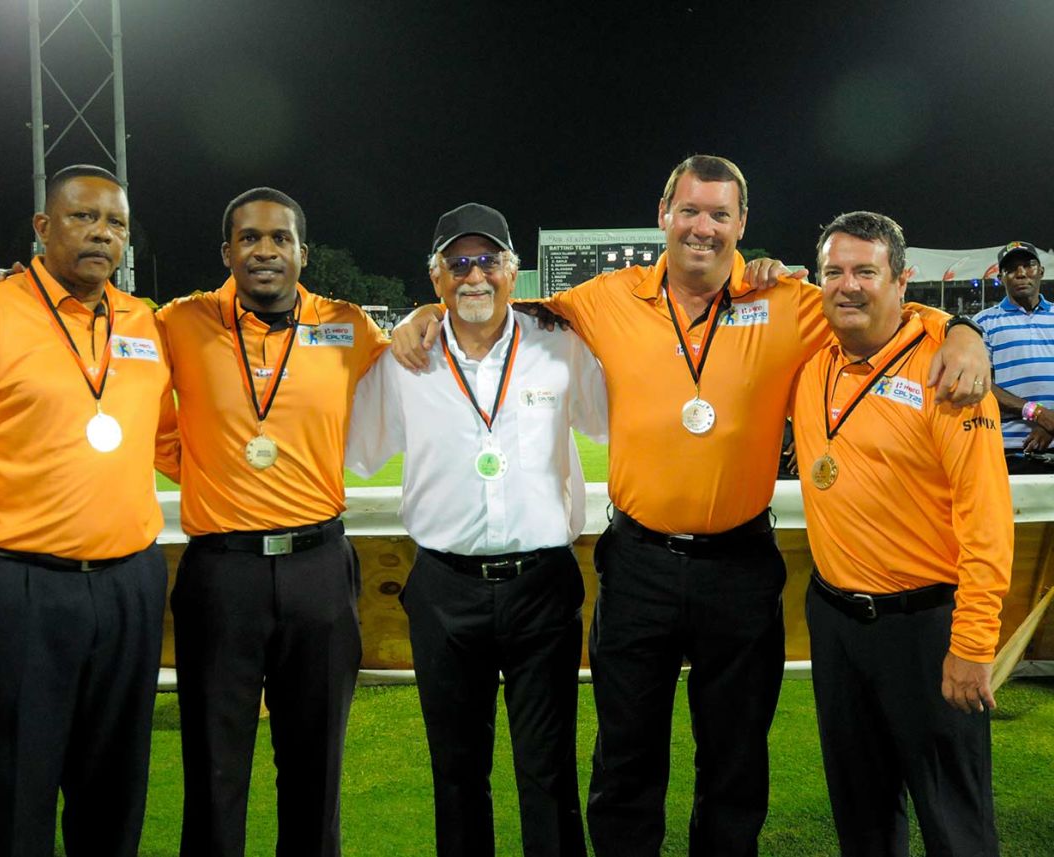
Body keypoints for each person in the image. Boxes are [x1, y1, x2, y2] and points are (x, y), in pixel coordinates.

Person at [391, 155, 990, 856]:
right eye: (690, 210)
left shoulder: (788, 302)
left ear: (741, 225)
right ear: (663, 215)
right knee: (625, 758)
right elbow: (495, 302)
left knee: (735, 761)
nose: (702, 228)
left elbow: (877, 304)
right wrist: (429, 309)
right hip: (639, 561)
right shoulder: (604, 298)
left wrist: (959, 331)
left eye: (719, 214)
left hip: (739, 565)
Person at [0, 165, 175, 857]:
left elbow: (176, 443)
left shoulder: (142, 323)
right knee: (9, 801)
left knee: (114, 798)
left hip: (131, 587)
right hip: (19, 591)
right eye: (84, 217)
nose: (102, 234)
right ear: (42, 227)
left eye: (115, 223)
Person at [346, 203, 608, 856]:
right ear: (435, 277)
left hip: (542, 586)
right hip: (444, 587)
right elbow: (354, 450)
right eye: (458, 262)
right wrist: (393, 331)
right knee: (458, 774)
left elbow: (613, 421)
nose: (474, 275)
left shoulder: (559, 343)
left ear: (513, 270)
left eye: (488, 260)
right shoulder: (404, 358)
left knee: (548, 772)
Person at [155, 187, 388, 857]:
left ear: (302, 253)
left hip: (319, 563)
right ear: (226, 251)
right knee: (214, 767)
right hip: (221, 570)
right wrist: (199, 465)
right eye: (249, 237)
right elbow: (135, 403)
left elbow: (412, 387)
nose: (265, 249)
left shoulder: (348, 326)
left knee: (316, 770)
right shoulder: (179, 321)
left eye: (280, 238)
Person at [793, 211, 1011, 856]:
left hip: (925, 625)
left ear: (901, 280)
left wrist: (972, 642)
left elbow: (986, 517)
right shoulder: (811, 358)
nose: (848, 285)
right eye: (834, 272)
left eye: (866, 271)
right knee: (861, 815)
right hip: (834, 618)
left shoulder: (950, 376)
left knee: (955, 821)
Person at [973, 240, 1054, 467]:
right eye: (1011, 268)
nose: (1021, 273)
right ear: (1001, 277)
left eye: (1028, 265)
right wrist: (1037, 413)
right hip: (1011, 449)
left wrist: (1051, 423)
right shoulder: (983, 322)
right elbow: (979, 384)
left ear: (1041, 271)